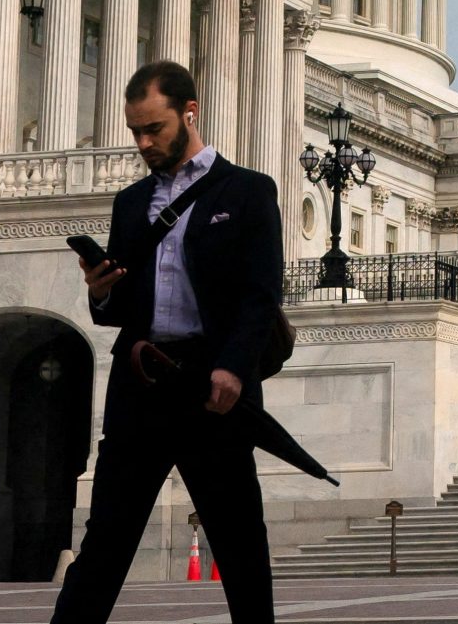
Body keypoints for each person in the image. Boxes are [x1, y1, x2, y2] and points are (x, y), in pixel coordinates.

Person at [49, 60, 285, 624]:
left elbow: (261, 296)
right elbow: (120, 311)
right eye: (135, 131)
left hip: (212, 386)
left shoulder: (248, 191)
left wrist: (234, 367)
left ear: (189, 113)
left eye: (154, 128)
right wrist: (101, 291)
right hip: (141, 382)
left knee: (238, 541)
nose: (143, 143)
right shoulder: (131, 203)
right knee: (106, 538)